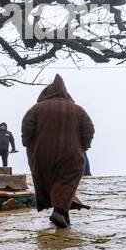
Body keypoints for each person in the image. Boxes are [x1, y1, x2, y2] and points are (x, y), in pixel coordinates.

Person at [21, 75, 94, 229]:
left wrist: (28, 144)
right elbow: (89, 130)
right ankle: (59, 212)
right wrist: (83, 147)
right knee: (66, 182)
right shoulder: (78, 110)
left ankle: (63, 213)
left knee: (51, 182)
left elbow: (27, 129)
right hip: (71, 154)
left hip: (42, 155)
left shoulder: (36, 109)